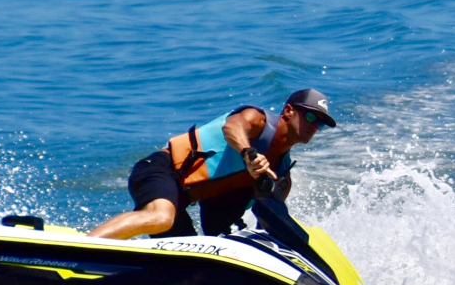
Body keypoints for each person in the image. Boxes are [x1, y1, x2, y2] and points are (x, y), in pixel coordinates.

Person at [89, 88, 336, 240]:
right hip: (160, 170)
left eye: (320, 123)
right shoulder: (257, 120)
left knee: (193, 262)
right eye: (311, 116)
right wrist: (248, 154)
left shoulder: (280, 177)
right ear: (288, 111)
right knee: (162, 217)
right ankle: (82, 249)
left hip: (184, 202)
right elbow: (232, 127)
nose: (314, 125)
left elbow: (268, 223)